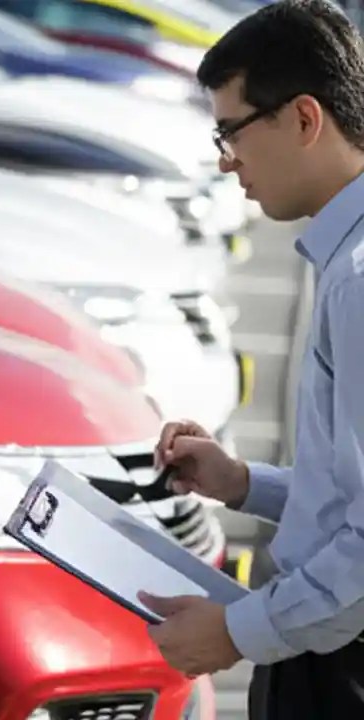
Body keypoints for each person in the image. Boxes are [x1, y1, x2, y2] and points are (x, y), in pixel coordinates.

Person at [134, 0, 364, 716]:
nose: (225, 161)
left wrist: (237, 632)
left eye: (231, 131)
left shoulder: (358, 280)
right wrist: (241, 483)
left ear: (303, 118)